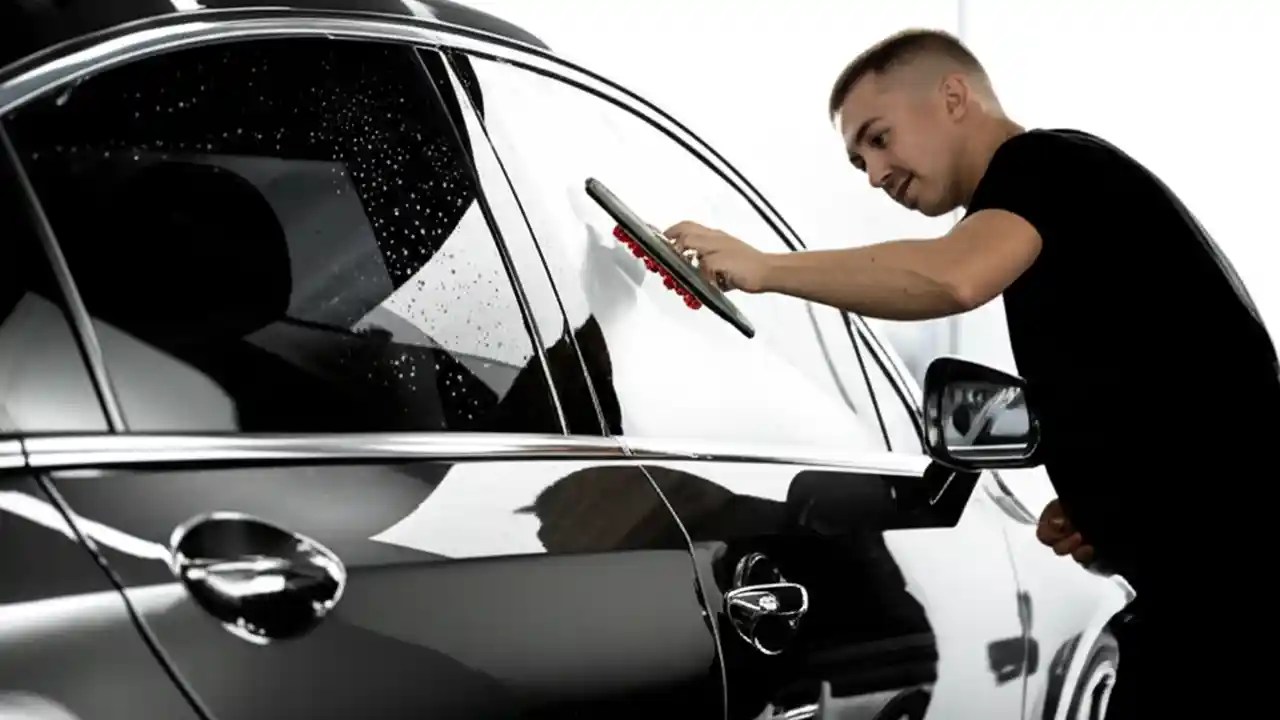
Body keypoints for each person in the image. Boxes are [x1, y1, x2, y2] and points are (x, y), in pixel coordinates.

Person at [664, 27, 1280, 718]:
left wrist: (766, 268)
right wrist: (1111, 503)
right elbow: (1170, 388)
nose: (874, 174)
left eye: (879, 137)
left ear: (952, 96)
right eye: (857, 159)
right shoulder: (1070, 207)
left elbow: (953, 278)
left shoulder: (1043, 164)